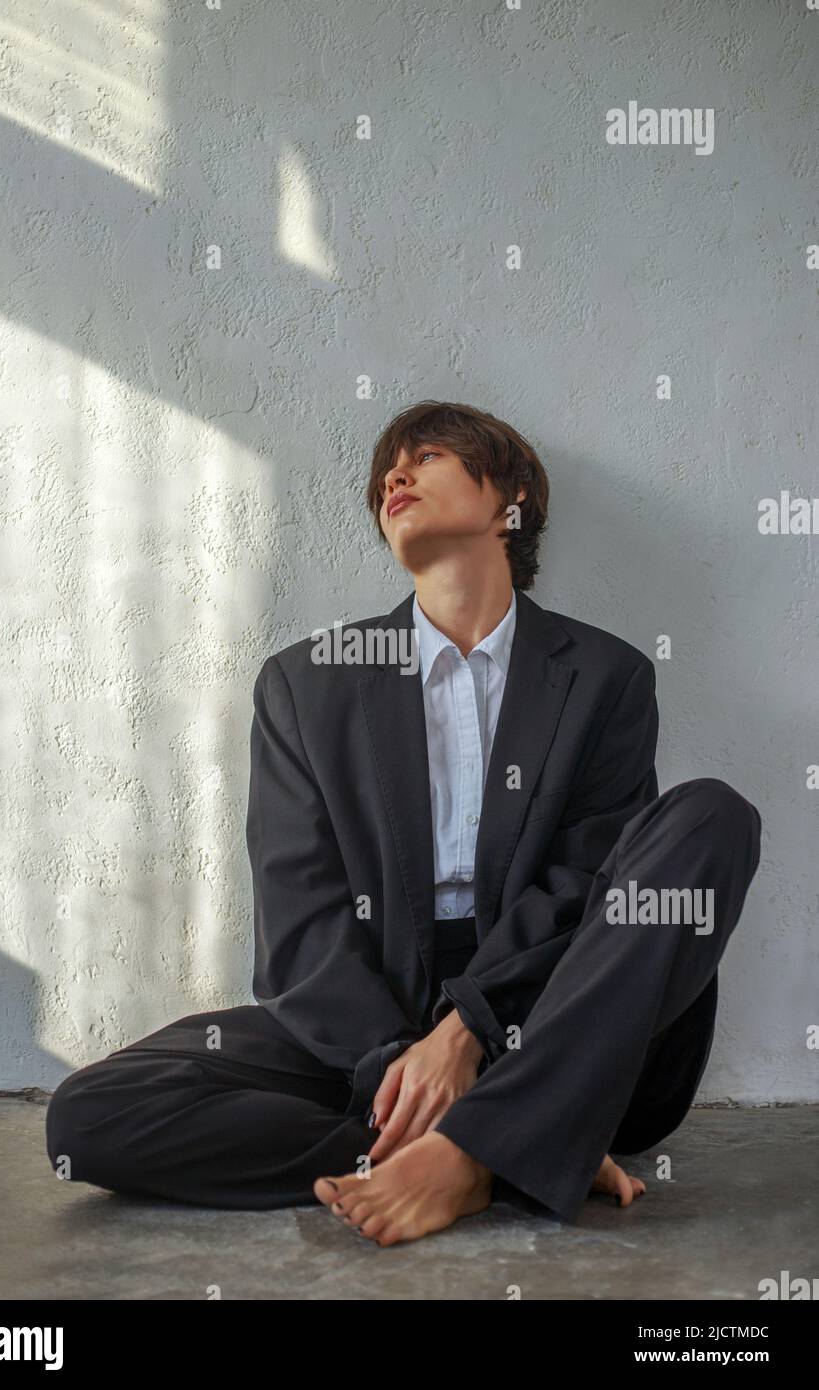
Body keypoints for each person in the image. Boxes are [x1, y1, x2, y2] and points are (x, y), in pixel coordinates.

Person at [45, 400, 762, 1248]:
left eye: (426, 457)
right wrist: (400, 1062)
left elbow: (583, 890)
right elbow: (300, 922)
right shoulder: (305, 685)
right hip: (367, 1015)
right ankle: (491, 1152)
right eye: (388, 467)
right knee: (88, 1115)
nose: (394, 475)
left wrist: (469, 1030)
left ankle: (494, 1130)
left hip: (559, 1014)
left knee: (711, 817)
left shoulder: (603, 676)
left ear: (512, 502)